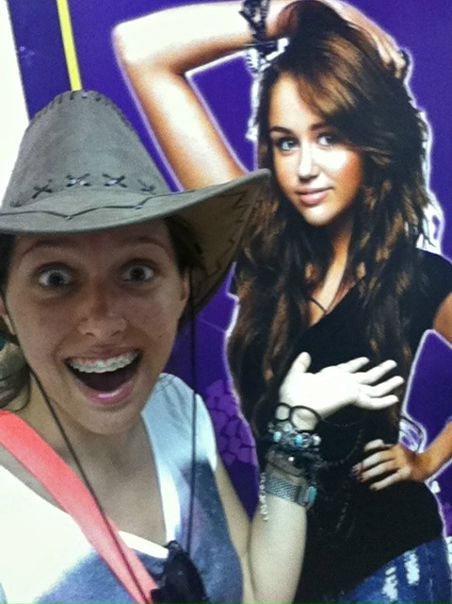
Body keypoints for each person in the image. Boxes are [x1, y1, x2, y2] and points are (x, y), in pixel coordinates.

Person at [0, 89, 402, 604]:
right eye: (56, 278)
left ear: (181, 289)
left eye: (137, 271)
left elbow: (257, 593)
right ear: (5, 307)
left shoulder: (175, 409)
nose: (101, 323)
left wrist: (294, 428)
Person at [113, 1, 452, 602]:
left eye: (329, 137)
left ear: (371, 147)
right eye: (285, 143)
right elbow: (143, 53)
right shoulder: (262, 249)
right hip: (288, 568)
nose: (305, 168)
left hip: (394, 566)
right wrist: (297, 10)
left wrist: (428, 461)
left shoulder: (417, 277)